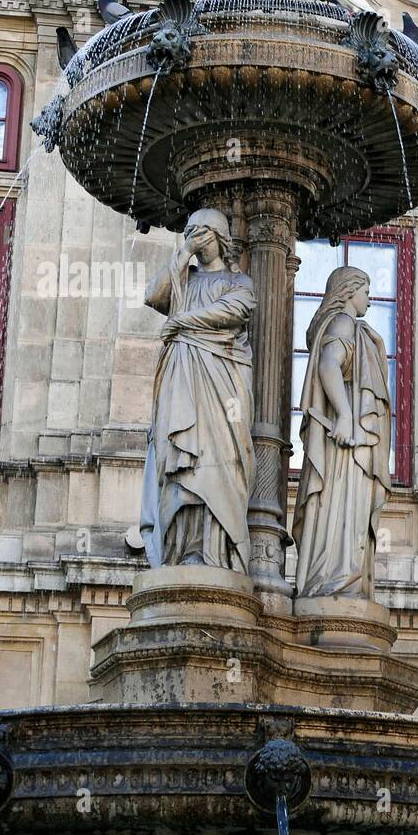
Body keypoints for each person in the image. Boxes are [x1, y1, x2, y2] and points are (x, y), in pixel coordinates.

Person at [139, 207, 255, 573]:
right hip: (181, 377)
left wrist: (181, 322)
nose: (196, 235)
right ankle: (181, 549)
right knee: (179, 457)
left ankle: (216, 551)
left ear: (221, 238)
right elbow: (152, 295)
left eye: (203, 231)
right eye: (189, 230)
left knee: (221, 457)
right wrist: (182, 253)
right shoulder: (183, 280)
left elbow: (233, 311)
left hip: (224, 381)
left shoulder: (240, 283)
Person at [292, 265, 392, 598]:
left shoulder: (346, 325)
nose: (369, 299)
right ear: (349, 292)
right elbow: (328, 363)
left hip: (344, 439)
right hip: (346, 443)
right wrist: (347, 415)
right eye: (365, 291)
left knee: (342, 507)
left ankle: (335, 575)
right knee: (345, 506)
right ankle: (336, 580)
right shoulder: (344, 322)